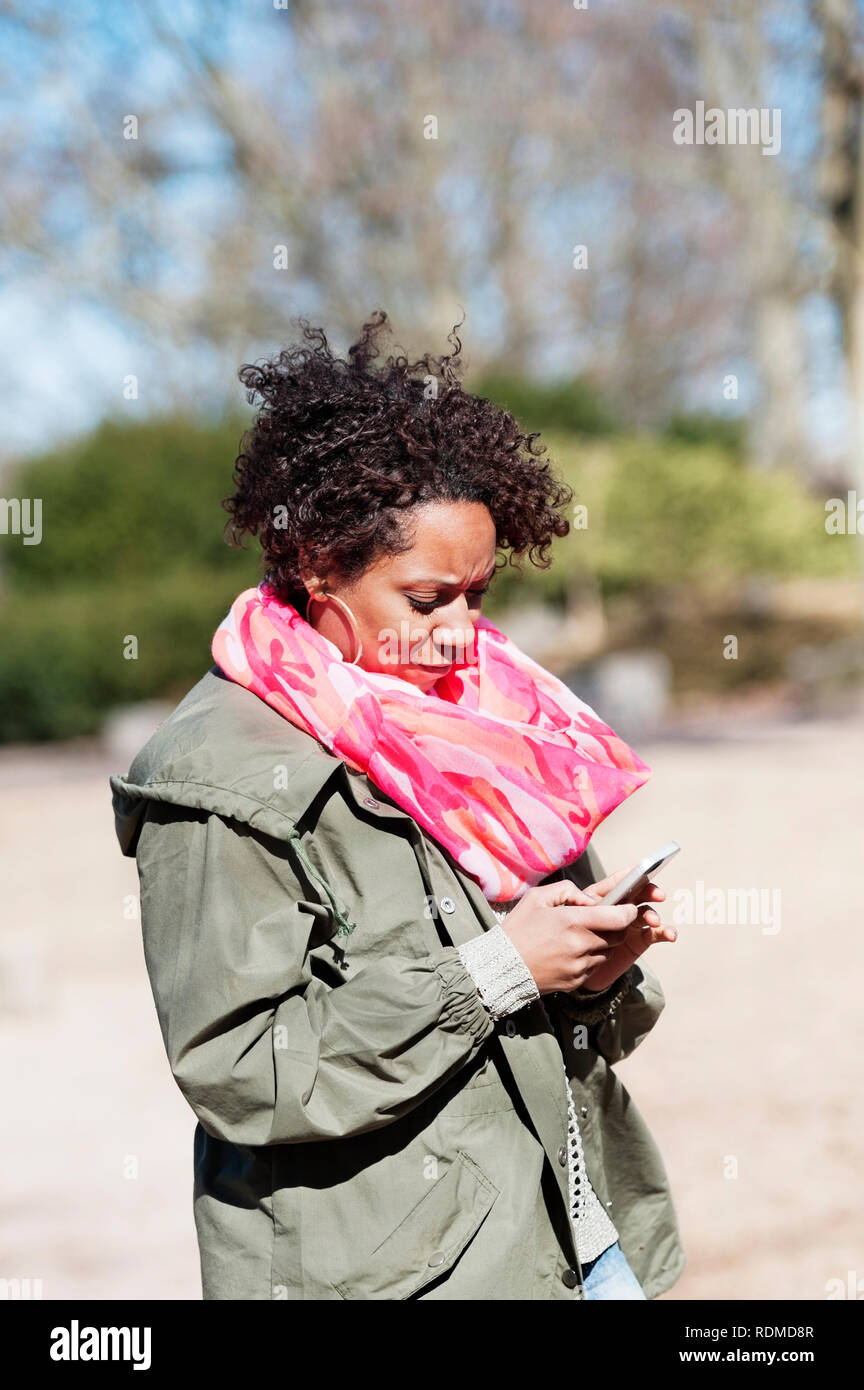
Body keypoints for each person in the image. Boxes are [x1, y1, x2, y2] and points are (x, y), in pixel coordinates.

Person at [109, 311, 686, 1301]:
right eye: (429, 599)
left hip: (581, 1247)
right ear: (318, 567)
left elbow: (567, 1029)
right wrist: (499, 968)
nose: (467, 633)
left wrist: (593, 974)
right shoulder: (218, 777)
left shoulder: (494, 717)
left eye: (479, 590)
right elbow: (243, 1068)